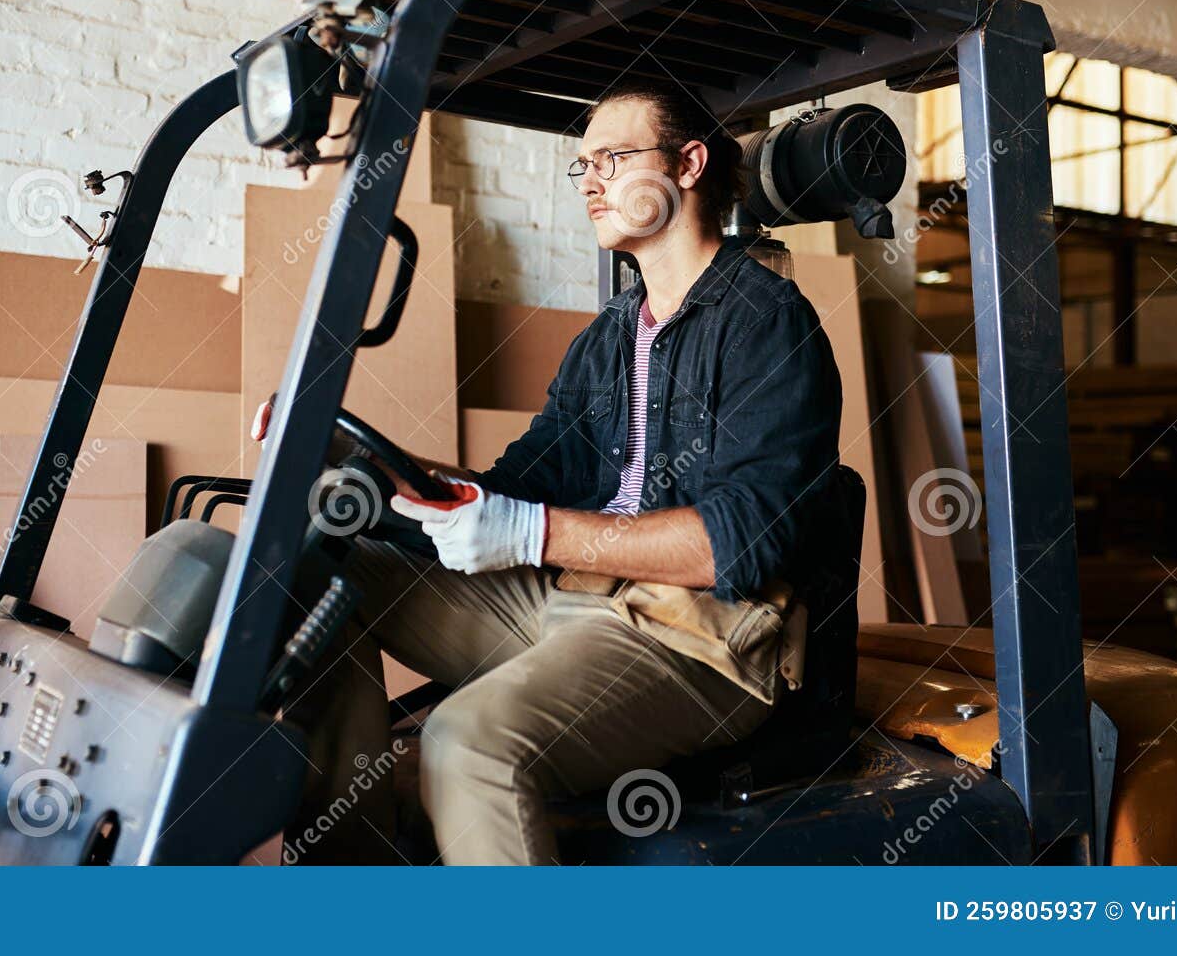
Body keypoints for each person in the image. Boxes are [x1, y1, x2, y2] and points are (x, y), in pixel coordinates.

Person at [250, 79, 843, 865]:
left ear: (689, 164)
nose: (591, 181)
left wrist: (530, 531)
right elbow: (518, 486)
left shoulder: (767, 323)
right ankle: (355, 875)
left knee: (465, 744)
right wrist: (369, 459)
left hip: (699, 636)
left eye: (614, 158)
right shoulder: (606, 339)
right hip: (568, 598)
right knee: (320, 567)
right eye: (583, 165)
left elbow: (735, 546)